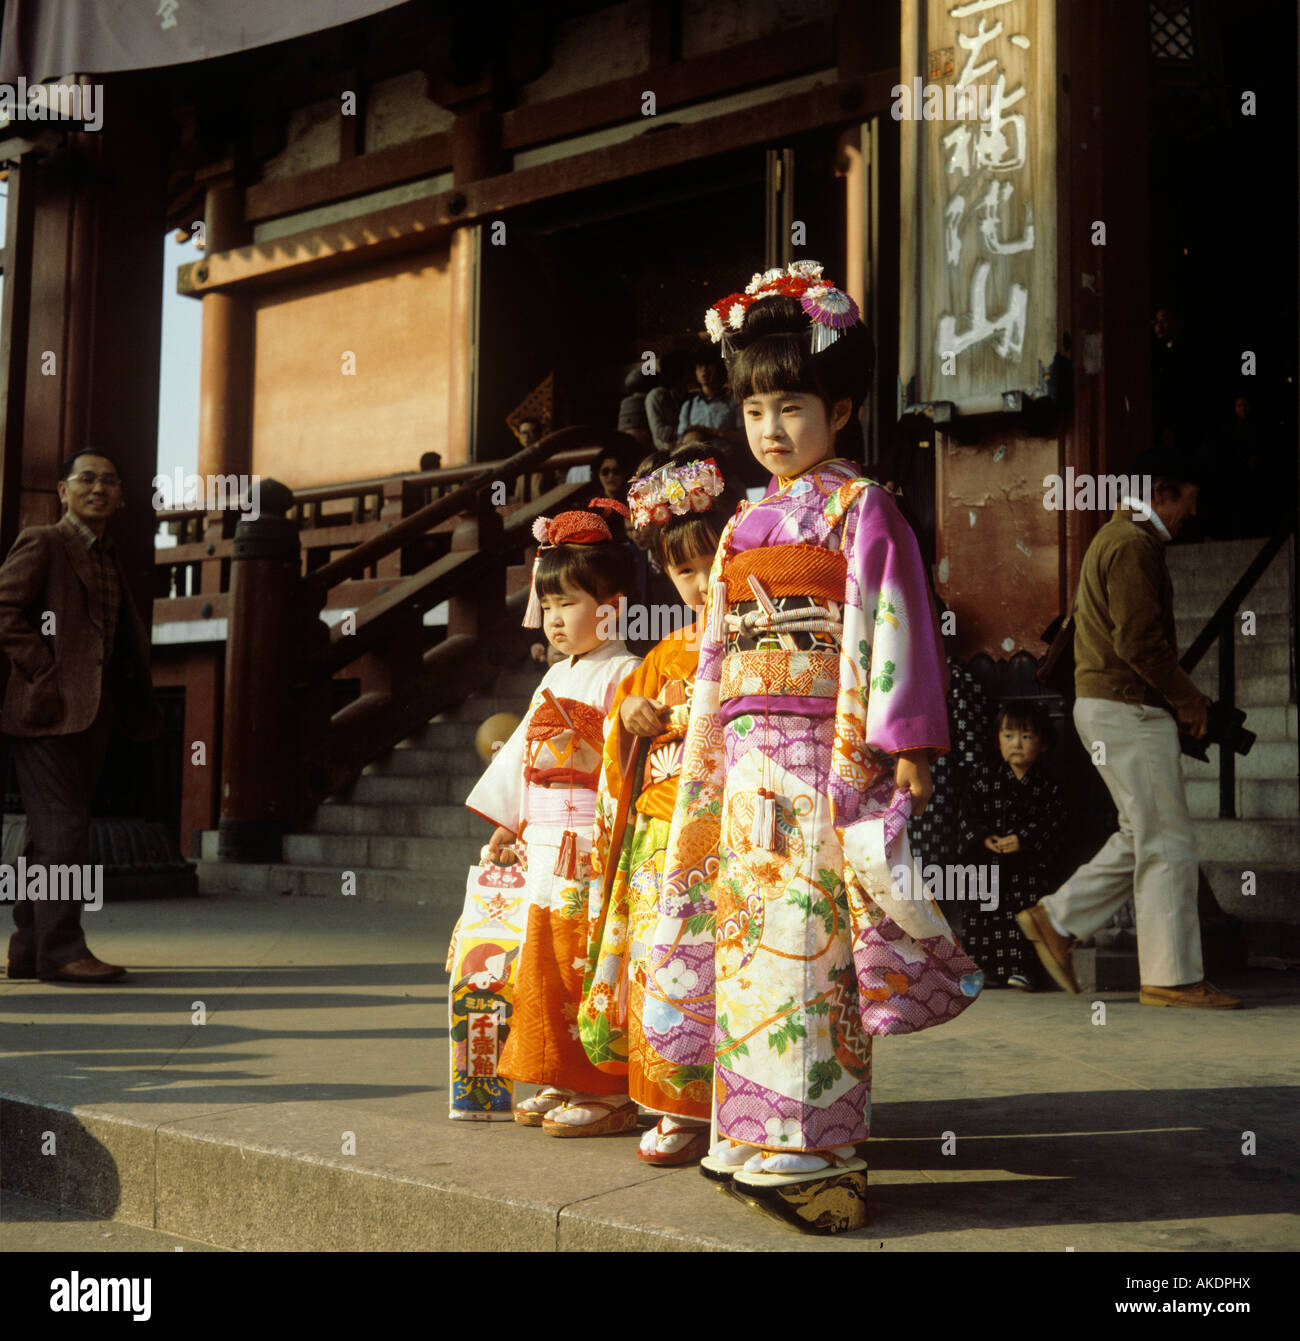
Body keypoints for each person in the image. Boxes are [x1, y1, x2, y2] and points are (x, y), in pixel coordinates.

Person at [648, 263, 981, 1232]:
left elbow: (896, 623)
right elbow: (716, 645)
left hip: (823, 759)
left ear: (839, 410)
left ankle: (818, 1155)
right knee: (749, 945)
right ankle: (744, 1137)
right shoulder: (745, 521)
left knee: (810, 953)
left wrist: (905, 738)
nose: (771, 430)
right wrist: (702, 741)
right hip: (747, 760)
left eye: (791, 407)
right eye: (756, 411)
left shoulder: (860, 508)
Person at [1016, 452, 1241, 1009]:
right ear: (1163, 492)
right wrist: (1189, 699)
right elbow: (1140, 643)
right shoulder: (1133, 545)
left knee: (1144, 834)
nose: (1193, 513)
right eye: (1189, 499)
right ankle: (1173, 977)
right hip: (1126, 709)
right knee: (1167, 842)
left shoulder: (1115, 538)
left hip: (1108, 706)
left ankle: (1058, 918)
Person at [579, 447, 742, 1163]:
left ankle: (738, 1102)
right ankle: (670, 1104)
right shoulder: (663, 653)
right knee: (663, 970)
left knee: (727, 973)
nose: (702, 582)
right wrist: (632, 715)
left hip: (729, 839)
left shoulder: (755, 641)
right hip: (658, 835)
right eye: (685, 569)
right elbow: (621, 735)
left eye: (713, 561)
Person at [465, 500, 642, 1131]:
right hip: (545, 836)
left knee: (584, 959)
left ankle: (604, 1090)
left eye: (568, 603)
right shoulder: (556, 678)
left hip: (590, 835)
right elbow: (519, 758)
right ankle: (555, 1073)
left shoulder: (625, 673)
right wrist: (506, 824)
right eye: (550, 604)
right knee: (541, 955)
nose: (555, 619)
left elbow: (625, 762)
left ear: (613, 606)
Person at [0, 450, 161, 983]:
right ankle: (62, 950)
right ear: (63, 492)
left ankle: (28, 948)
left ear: (121, 495)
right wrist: (42, 668)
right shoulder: (45, 542)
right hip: (46, 712)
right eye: (86, 479)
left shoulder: (109, 554)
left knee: (49, 836)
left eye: (110, 481)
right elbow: (4, 610)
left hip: (93, 715)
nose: (99, 488)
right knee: (65, 832)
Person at [957, 700, 1066, 989]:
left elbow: (1054, 821)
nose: (1016, 743)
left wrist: (1025, 839)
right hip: (988, 861)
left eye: (1026, 736)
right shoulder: (984, 778)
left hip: (1028, 864)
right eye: (1008, 736)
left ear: (1043, 743)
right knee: (981, 905)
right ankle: (985, 969)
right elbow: (968, 813)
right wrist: (984, 837)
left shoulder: (1048, 785)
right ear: (998, 740)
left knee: (1026, 908)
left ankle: (1024, 970)